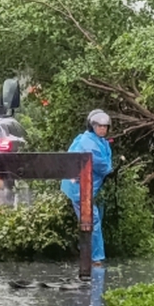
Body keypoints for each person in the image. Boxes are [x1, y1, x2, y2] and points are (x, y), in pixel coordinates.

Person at [61, 109, 113, 266]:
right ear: (92, 126)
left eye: (105, 126)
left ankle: (87, 249)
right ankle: (94, 258)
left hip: (91, 188)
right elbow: (103, 166)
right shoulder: (89, 143)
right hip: (80, 189)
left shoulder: (97, 140)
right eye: (99, 126)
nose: (103, 129)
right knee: (92, 219)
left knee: (99, 213)